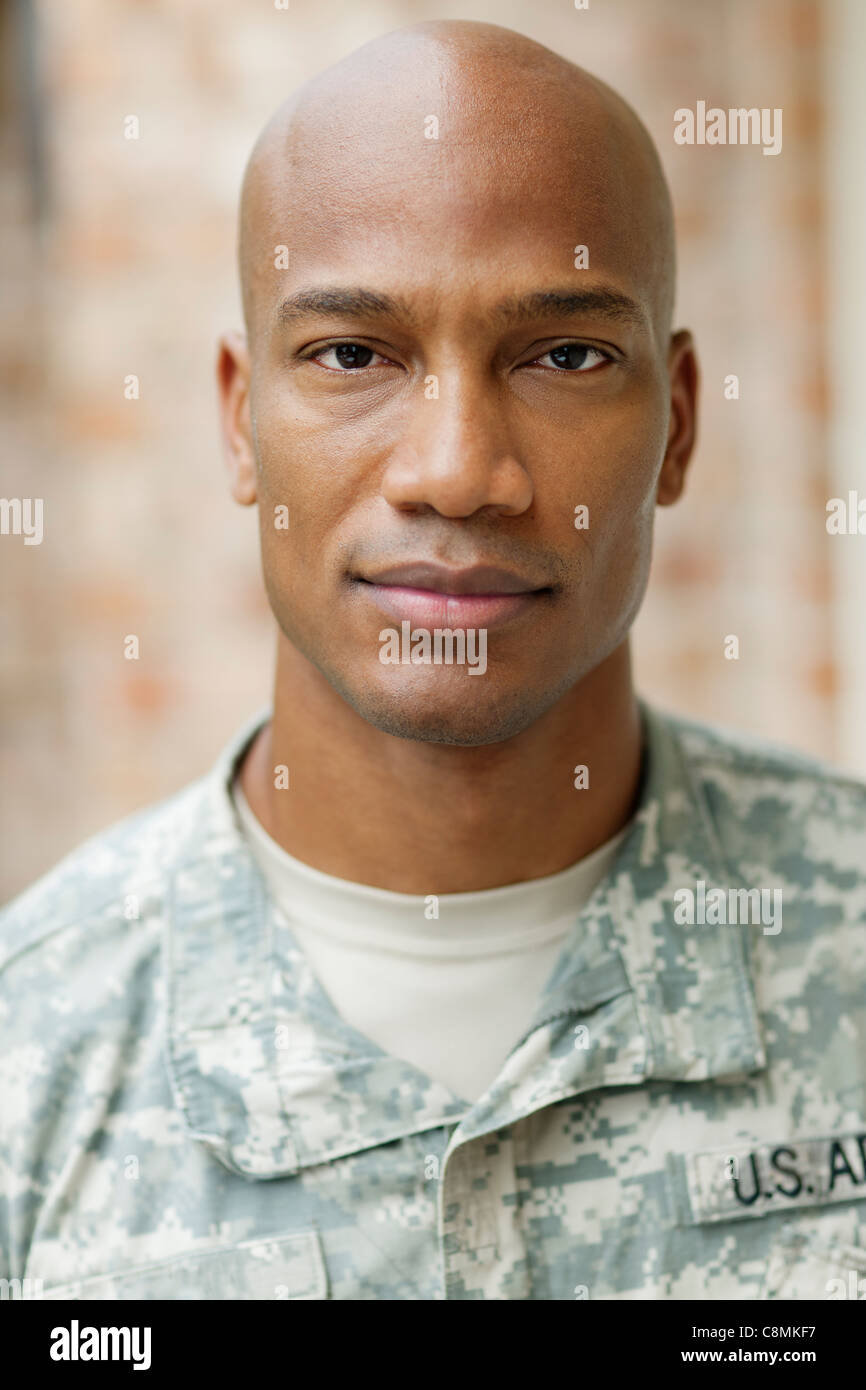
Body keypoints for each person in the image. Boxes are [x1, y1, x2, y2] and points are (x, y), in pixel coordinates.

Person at [1, 20, 865, 1302]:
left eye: (563, 356)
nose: (456, 469)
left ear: (675, 428)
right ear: (240, 422)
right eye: (352, 354)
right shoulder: (31, 1057)